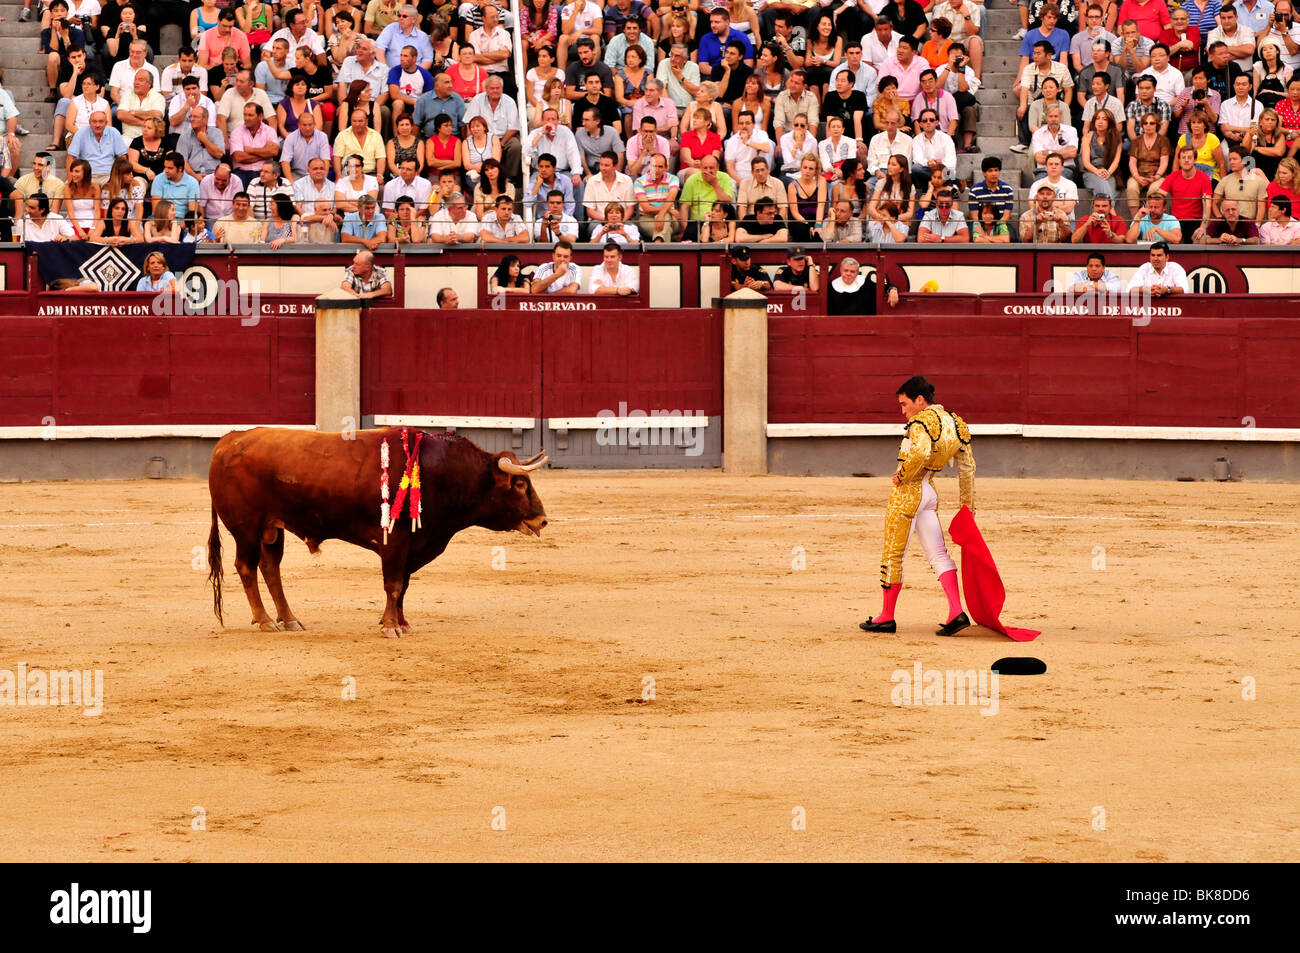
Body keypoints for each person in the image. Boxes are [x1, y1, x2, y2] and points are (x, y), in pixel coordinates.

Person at [860, 376, 975, 638]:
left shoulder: (921, 421)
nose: (903, 412)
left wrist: (902, 474)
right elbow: (967, 468)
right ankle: (956, 611)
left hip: (908, 493)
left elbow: (921, 453)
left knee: (893, 554)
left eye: (904, 404)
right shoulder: (956, 423)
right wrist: (967, 506)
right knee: (938, 553)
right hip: (929, 493)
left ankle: (886, 616)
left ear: (920, 401)